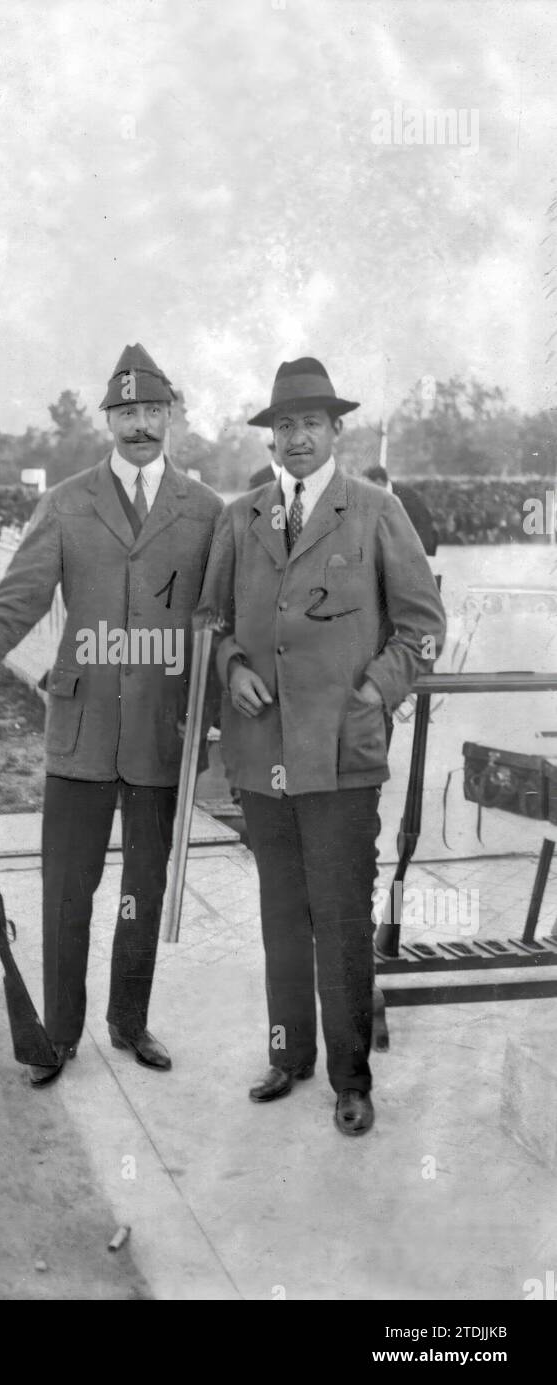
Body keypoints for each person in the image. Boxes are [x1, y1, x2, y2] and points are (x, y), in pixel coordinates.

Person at [0, 344, 223, 1087]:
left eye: (152, 411)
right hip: (80, 734)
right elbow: (20, 596)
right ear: (108, 422)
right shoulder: (65, 502)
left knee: (144, 890)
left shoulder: (206, 511)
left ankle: (129, 1021)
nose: (139, 425)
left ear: (172, 418)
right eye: (126, 412)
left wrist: (215, 715)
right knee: (68, 890)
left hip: (162, 735)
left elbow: (220, 620)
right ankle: (58, 1033)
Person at [197, 357, 445, 1136]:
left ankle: (350, 1080)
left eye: (309, 423)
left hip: (342, 757)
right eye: (282, 426)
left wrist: (375, 689)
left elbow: (424, 627)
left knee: (339, 921)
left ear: (337, 431)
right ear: (270, 438)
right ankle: (287, 1055)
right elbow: (210, 620)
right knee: (281, 913)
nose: (294, 438)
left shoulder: (375, 511)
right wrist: (230, 665)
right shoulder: (242, 518)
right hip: (263, 755)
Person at [363, 464, 438, 556]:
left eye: (368, 484)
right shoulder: (373, 497)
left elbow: (422, 522)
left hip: (415, 545)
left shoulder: (406, 495)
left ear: (379, 482)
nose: (365, 488)